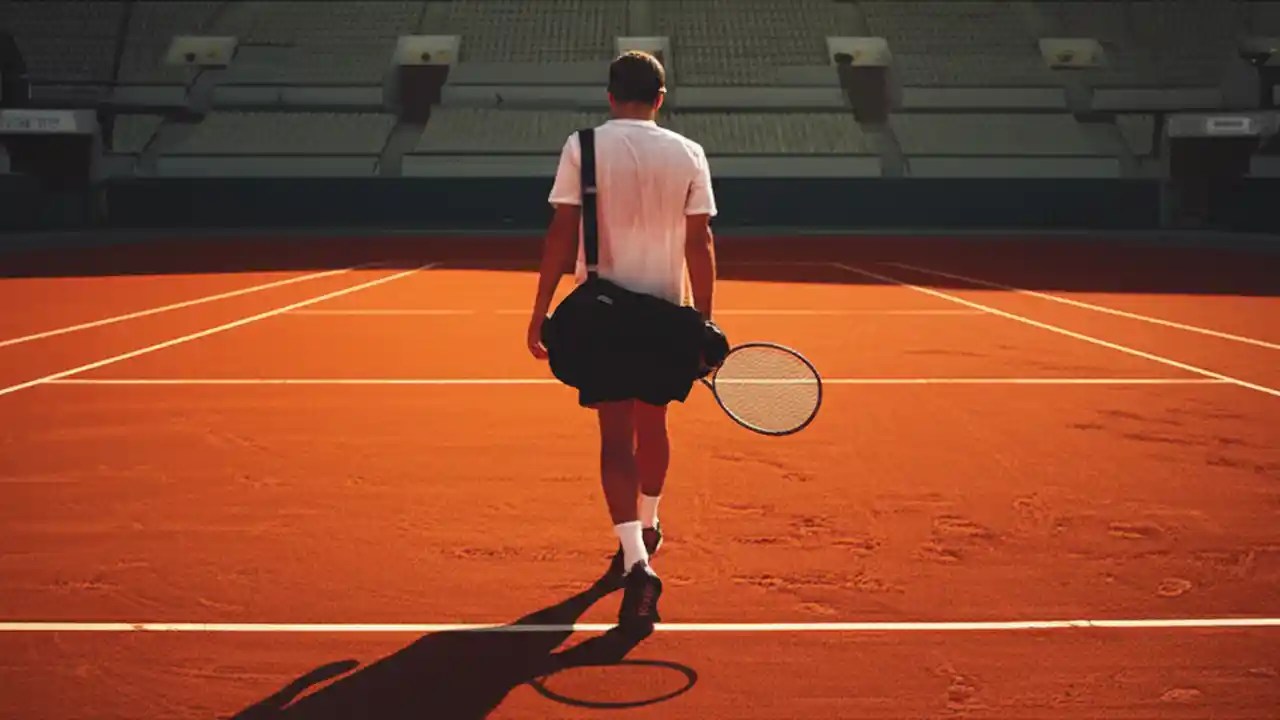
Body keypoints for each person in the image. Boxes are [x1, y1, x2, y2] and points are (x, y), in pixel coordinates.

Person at [525, 50, 718, 633]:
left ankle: (636, 558)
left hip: (602, 316)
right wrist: (704, 323)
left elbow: (561, 232)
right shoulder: (688, 152)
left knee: (615, 438)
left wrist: (538, 311)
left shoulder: (582, 146)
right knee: (653, 426)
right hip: (665, 314)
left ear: (610, 96)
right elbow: (700, 243)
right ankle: (652, 523)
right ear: (661, 98)